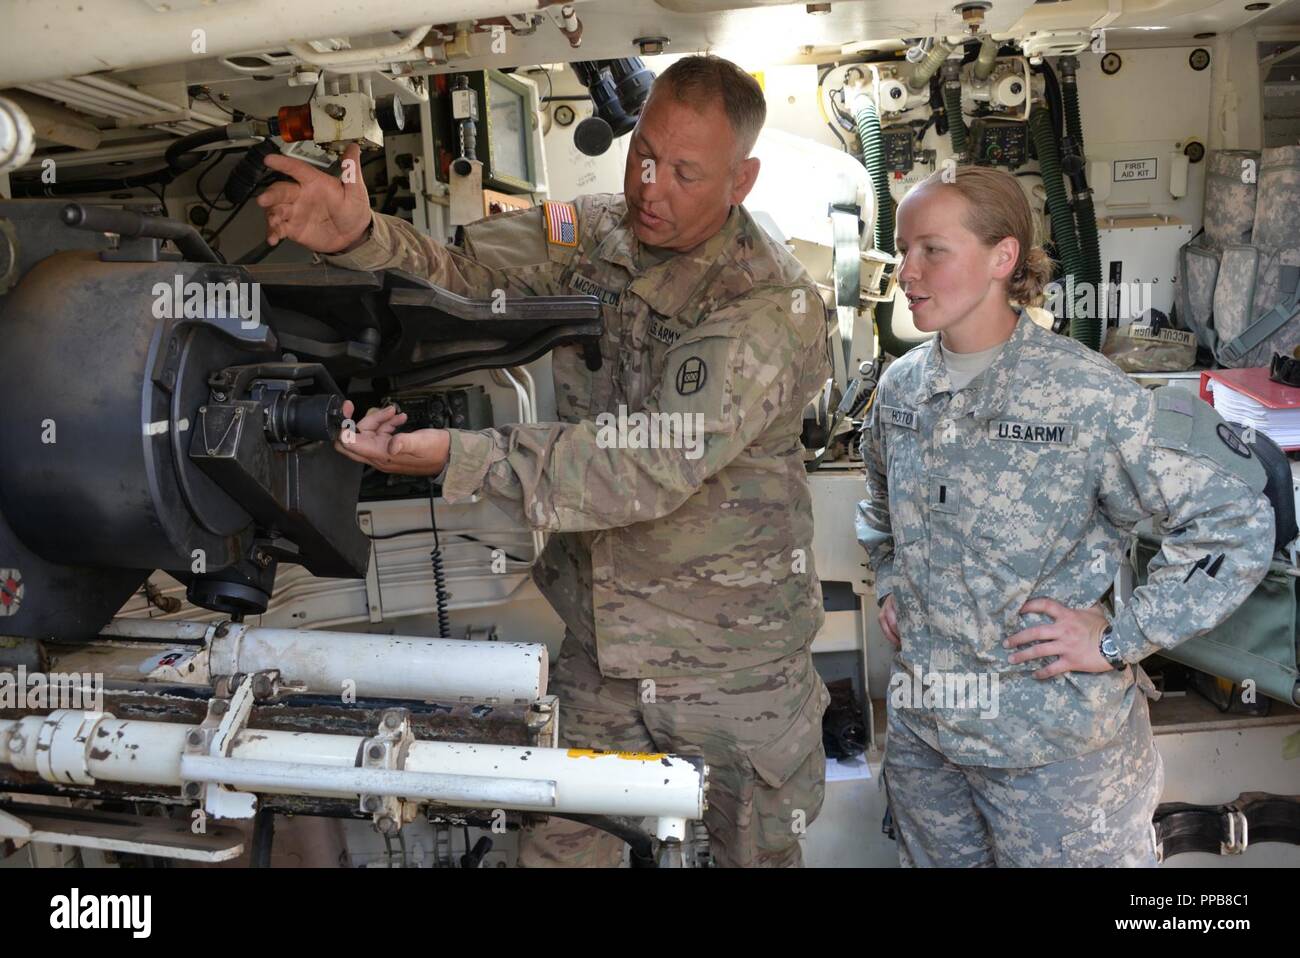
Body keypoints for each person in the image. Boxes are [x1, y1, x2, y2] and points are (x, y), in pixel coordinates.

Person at [257, 55, 833, 867]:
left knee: (748, 856)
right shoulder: (601, 232)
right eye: (643, 154)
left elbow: (647, 464)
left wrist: (462, 458)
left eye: (683, 172)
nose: (649, 187)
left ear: (742, 180)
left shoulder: (770, 306)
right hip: (600, 652)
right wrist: (358, 235)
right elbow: (468, 275)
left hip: (732, 670)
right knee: (560, 854)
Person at [856, 165, 1274, 867]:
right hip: (929, 747)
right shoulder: (901, 387)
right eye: (903, 249)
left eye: (932, 249)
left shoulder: (1085, 396)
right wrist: (894, 580)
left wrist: (1120, 637)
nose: (907, 271)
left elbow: (1235, 524)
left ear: (1002, 257)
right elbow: (879, 504)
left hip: (1054, 760)